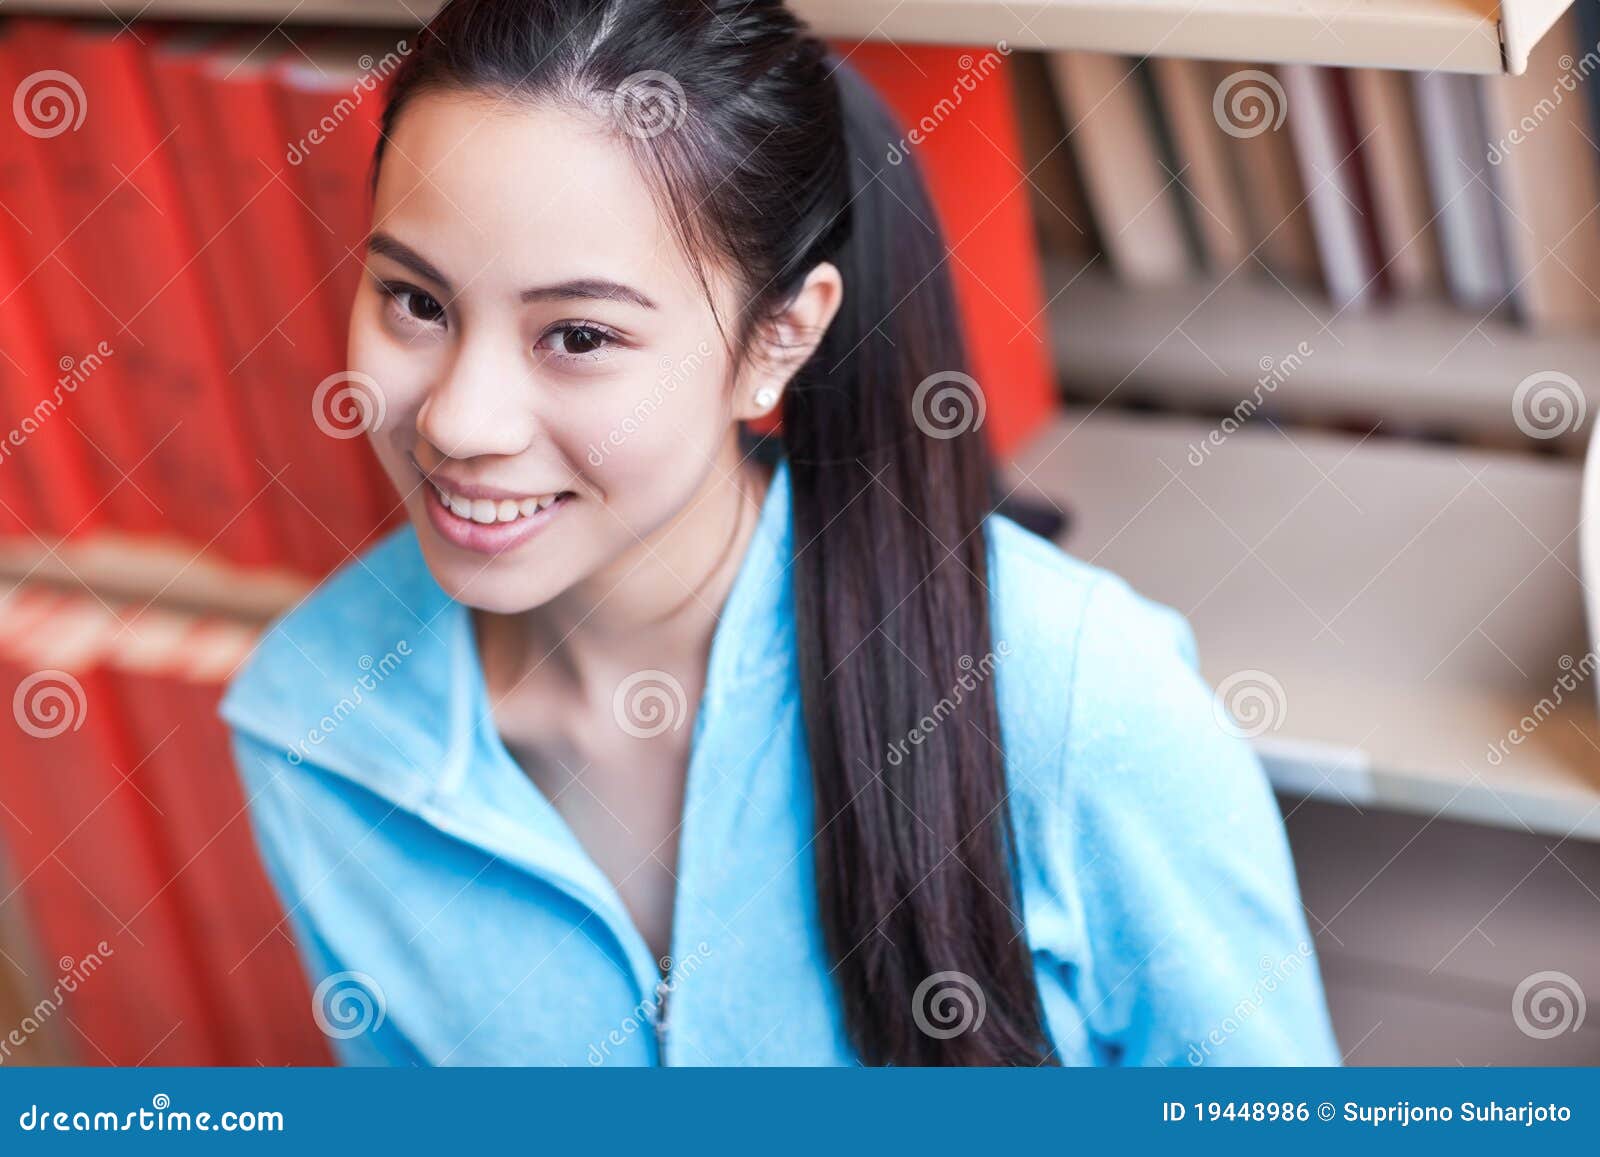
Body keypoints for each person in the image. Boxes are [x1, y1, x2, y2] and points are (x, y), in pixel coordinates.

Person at [220, 0, 1341, 1067]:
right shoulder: (313, 723)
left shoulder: (1072, 690)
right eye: (416, 302)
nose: (459, 419)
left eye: (576, 333)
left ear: (778, 339)